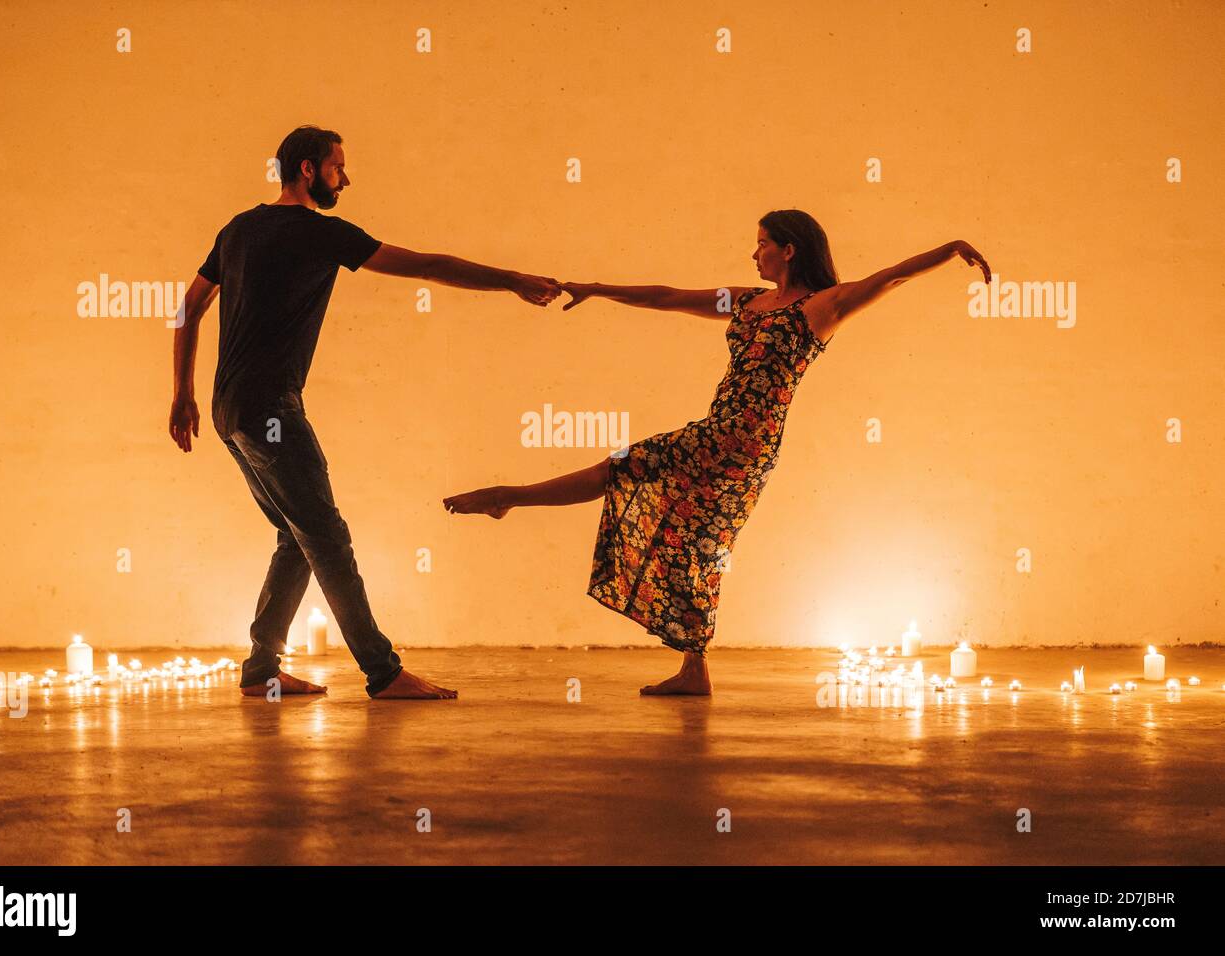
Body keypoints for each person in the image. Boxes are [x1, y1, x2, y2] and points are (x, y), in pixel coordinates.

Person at [444, 209, 990, 696]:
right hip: (722, 428)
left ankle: (507, 496)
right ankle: (694, 668)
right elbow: (668, 296)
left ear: (788, 249)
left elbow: (888, 277)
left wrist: (948, 250)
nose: (753, 253)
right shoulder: (747, 302)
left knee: (627, 466)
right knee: (697, 541)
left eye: (761, 244)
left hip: (744, 439)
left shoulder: (822, 307)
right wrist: (596, 287)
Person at [169, 125, 561, 700]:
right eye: (338, 169)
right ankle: (383, 672)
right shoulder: (319, 233)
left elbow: (188, 308)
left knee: (294, 533)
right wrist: (511, 281)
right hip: (270, 406)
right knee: (326, 536)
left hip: (229, 409)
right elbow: (425, 266)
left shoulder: (238, 229)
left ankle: (261, 669)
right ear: (308, 170)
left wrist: (182, 393)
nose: (345, 179)